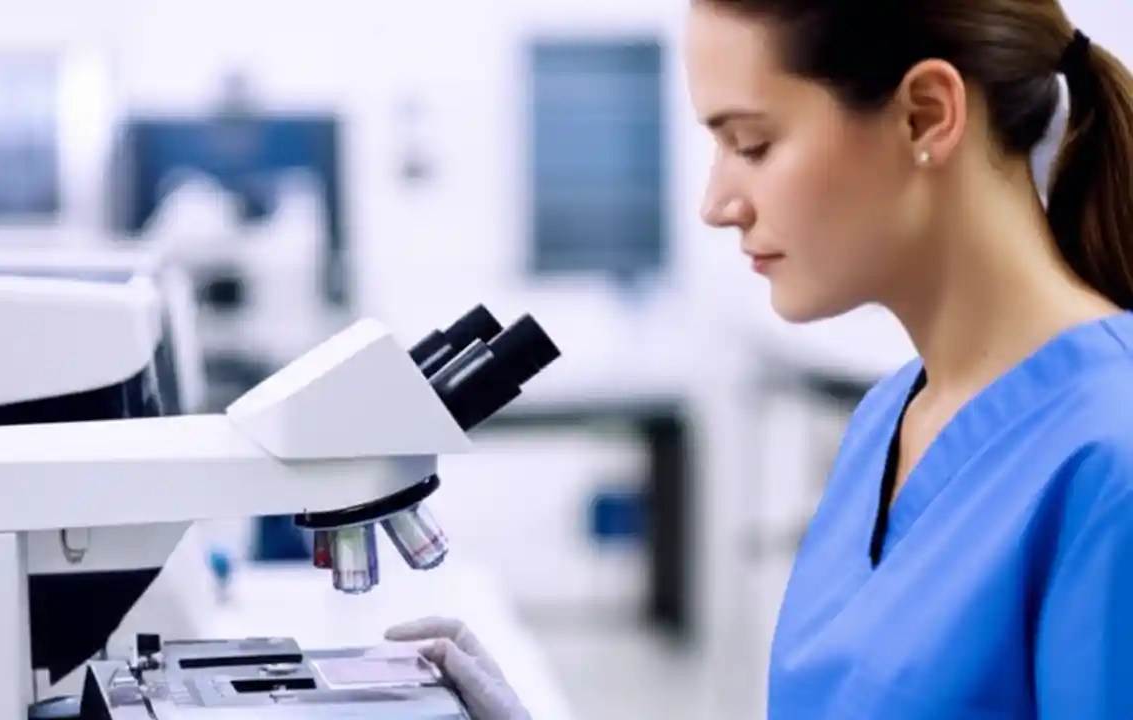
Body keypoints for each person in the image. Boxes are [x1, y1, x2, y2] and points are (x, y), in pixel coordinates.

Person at [385, 1, 1133, 718]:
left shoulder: (1110, 461)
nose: (716, 202)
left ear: (926, 114)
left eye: (751, 144)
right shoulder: (888, 419)